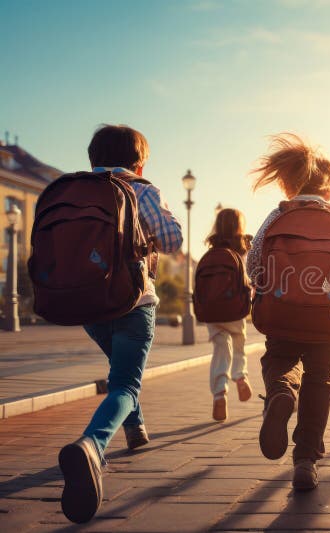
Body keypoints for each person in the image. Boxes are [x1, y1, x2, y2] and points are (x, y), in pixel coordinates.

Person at [59, 125, 182, 523]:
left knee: (120, 373)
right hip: (132, 300)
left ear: (91, 160)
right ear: (139, 161)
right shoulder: (140, 188)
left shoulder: (74, 191)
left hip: (88, 306)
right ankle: (93, 446)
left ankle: (136, 429)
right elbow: (172, 239)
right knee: (127, 383)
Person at [246, 133, 330, 491]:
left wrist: (275, 286)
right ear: (329, 188)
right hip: (328, 319)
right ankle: (305, 461)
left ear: (287, 184)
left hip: (283, 313)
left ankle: (282, 392)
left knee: (279, 360)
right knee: (320, 381)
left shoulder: (278, 215)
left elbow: (254, 262)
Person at [201, 208, 253, 421]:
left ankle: (219, 392)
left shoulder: (210, 252)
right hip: (234, 310)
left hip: (213, 312)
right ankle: (240, 376)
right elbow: (250, 279)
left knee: (221, 350)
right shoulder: (241, 251)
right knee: (239, 345)